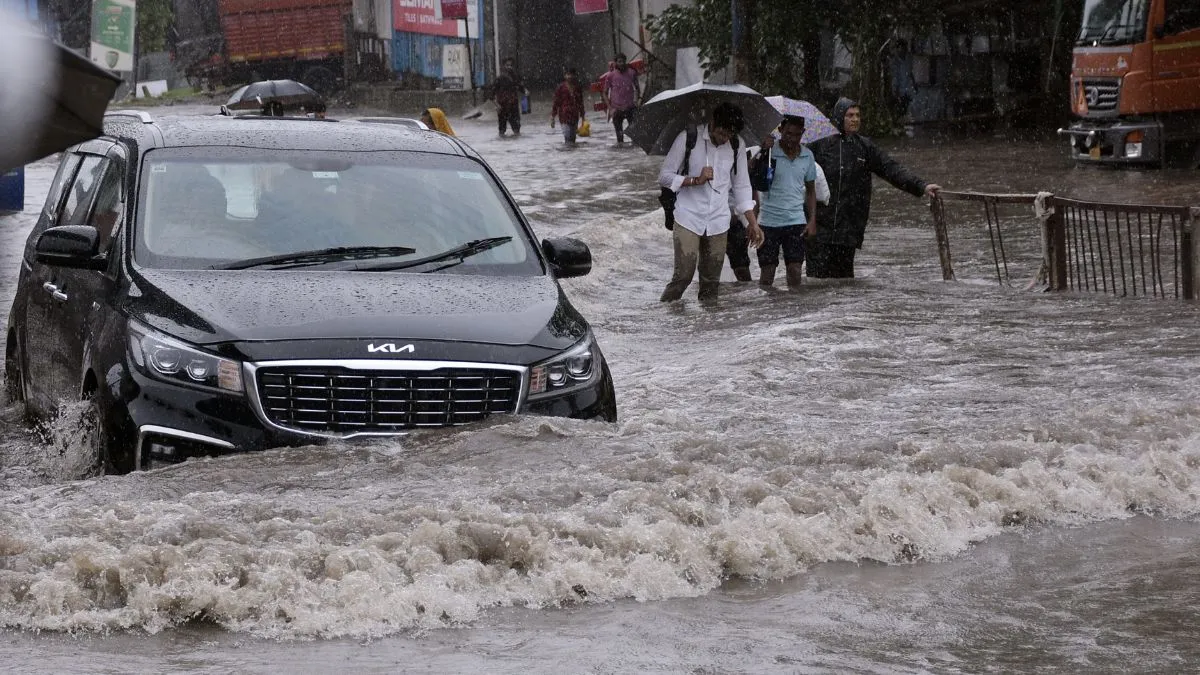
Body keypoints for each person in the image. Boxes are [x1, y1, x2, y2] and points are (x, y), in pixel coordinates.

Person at [807, 98, 940, 278]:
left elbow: (891, 169)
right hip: (820, 228)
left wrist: (921, 186)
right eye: (850, 115)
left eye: (857, 115)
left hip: (849, 230)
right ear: (839, 117)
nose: (855, 119)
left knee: (844, 284)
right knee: (816, 282)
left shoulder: (864, 147)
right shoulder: (820, 145)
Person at [658, 102, 764, 303]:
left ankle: (708, 322)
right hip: (688, 216)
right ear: (712, 122)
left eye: (729, 135)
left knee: (711, 284)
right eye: (722, 133)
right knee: (683, 277)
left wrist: (752, 223)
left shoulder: (737, 145)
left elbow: (741, 186)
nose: (725, 139)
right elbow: (664, 176)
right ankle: (664, 316)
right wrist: (694, 180)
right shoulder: (688, 138)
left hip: (718, 220)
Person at [756, 115, 818, 291]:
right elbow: (749, 175)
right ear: (780, 130)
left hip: (796, 221)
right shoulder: (769, 151)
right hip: (768, 222)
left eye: (797, 134)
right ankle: (766, 306)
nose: (792, 139)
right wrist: (762, 150)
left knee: (795, 271)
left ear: (803, 133)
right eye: (788, 133)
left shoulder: (807, 155)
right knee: (767, 273)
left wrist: (812, 220)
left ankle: (794, 307)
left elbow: (811, 191)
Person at [603, 53, 640, 144]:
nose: (622, 63)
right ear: (616, 63)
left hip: (630, 108)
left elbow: (637, 88)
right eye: (619, 61)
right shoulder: (610, 76)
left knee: (635, 137)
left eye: (623, 61)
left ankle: (634, 152)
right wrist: (610, 108)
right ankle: (621, 152)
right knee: (619, 138)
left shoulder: (632, 73)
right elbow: (605, 93)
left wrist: (636, 101)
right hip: (617, 109)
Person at [550, 68, 586, 145]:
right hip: (564, 117)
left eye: (571, 74)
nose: (570, 76)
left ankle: (571, 152)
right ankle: (568, 151)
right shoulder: (561, 88)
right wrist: (552, 117)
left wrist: (583, 116)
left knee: (573, 138)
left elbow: (580, 102)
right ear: (565, 76)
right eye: (568, 74)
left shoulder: (577, 88)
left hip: (574, 116)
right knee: (567, 137)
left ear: (575, 76)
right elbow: (556, 103)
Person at [493, 57, 525, 136]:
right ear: (503, 66)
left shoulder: (516, 78)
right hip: (502, 107)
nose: (509, 67)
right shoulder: (499, 79)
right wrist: (497, 105)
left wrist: (525, 93)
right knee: (502, 130)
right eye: (507, 65)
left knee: (516, 129)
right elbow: (491, 94)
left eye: (511, 65)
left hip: (513, 107)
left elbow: (522, 89)